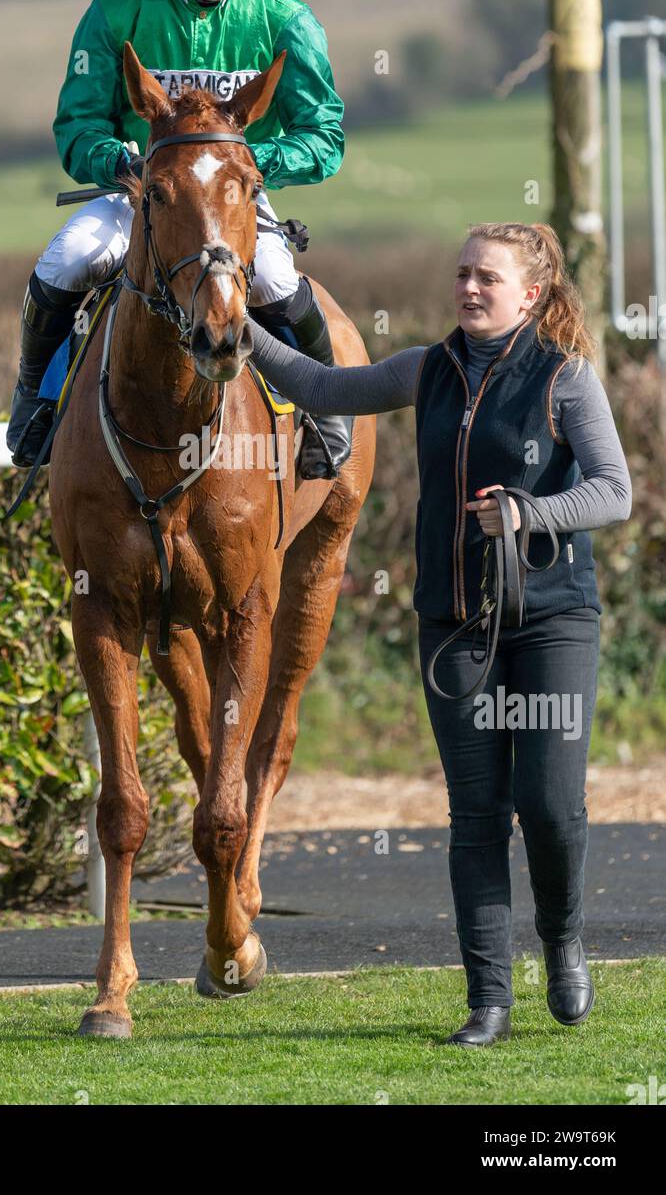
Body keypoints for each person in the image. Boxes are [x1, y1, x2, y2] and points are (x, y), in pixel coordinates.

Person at [245, 221, 633, 1047]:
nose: (468, 288)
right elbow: (318, 385)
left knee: (551, 808)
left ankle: (562, 940)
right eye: (461, 274)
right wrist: (231, 323)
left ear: (531, 294)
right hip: (454, 628)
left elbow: (613, 491)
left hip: (551, 625)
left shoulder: (567, 379)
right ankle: (487, 1001)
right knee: (477, 815)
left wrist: (531, 512)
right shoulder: (430, 368)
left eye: (486, 278)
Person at [6, 0, 352, 480]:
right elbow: (77, 126)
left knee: (275, 278)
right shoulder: (115, 12)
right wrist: (113, 159)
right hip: (144, 192)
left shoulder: (286, 20)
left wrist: (249, 165)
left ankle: (329, 420)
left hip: (235, 196)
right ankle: (33, 405)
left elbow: (325, 136)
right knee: (67, 259)